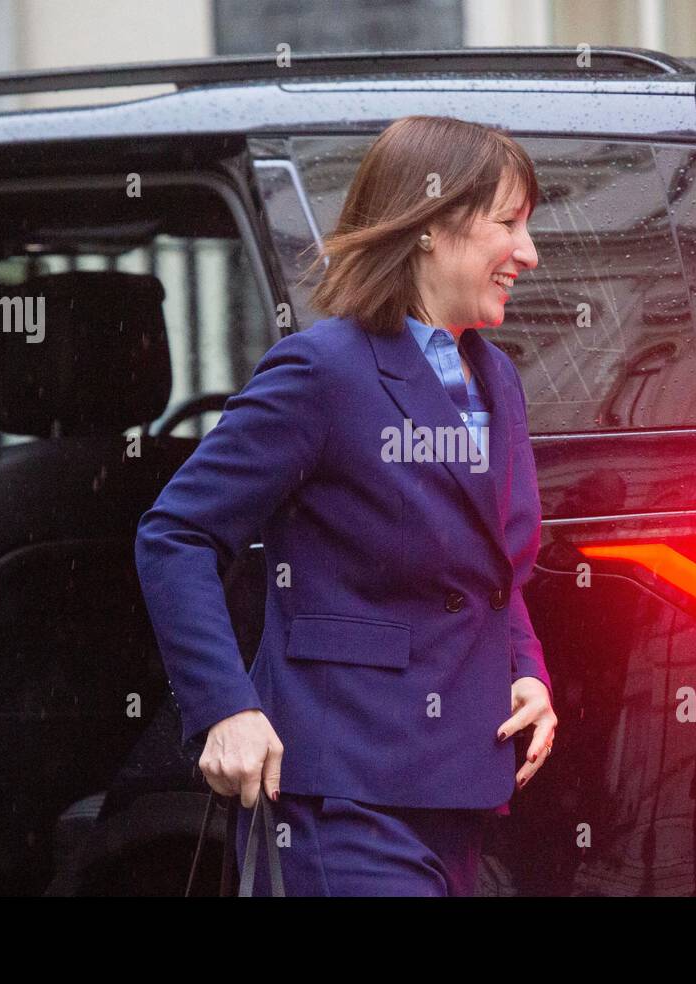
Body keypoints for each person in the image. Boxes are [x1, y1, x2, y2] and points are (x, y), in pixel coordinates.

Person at [134, 114, 557, 896]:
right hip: (342, 802)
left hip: (456, 798)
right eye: (509, 225)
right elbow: (175, 534)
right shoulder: (325, 369)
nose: (528, 255)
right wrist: (225, 708)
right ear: (430, 226)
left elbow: (498, 572)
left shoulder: (496, 379)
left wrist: (527, 670)